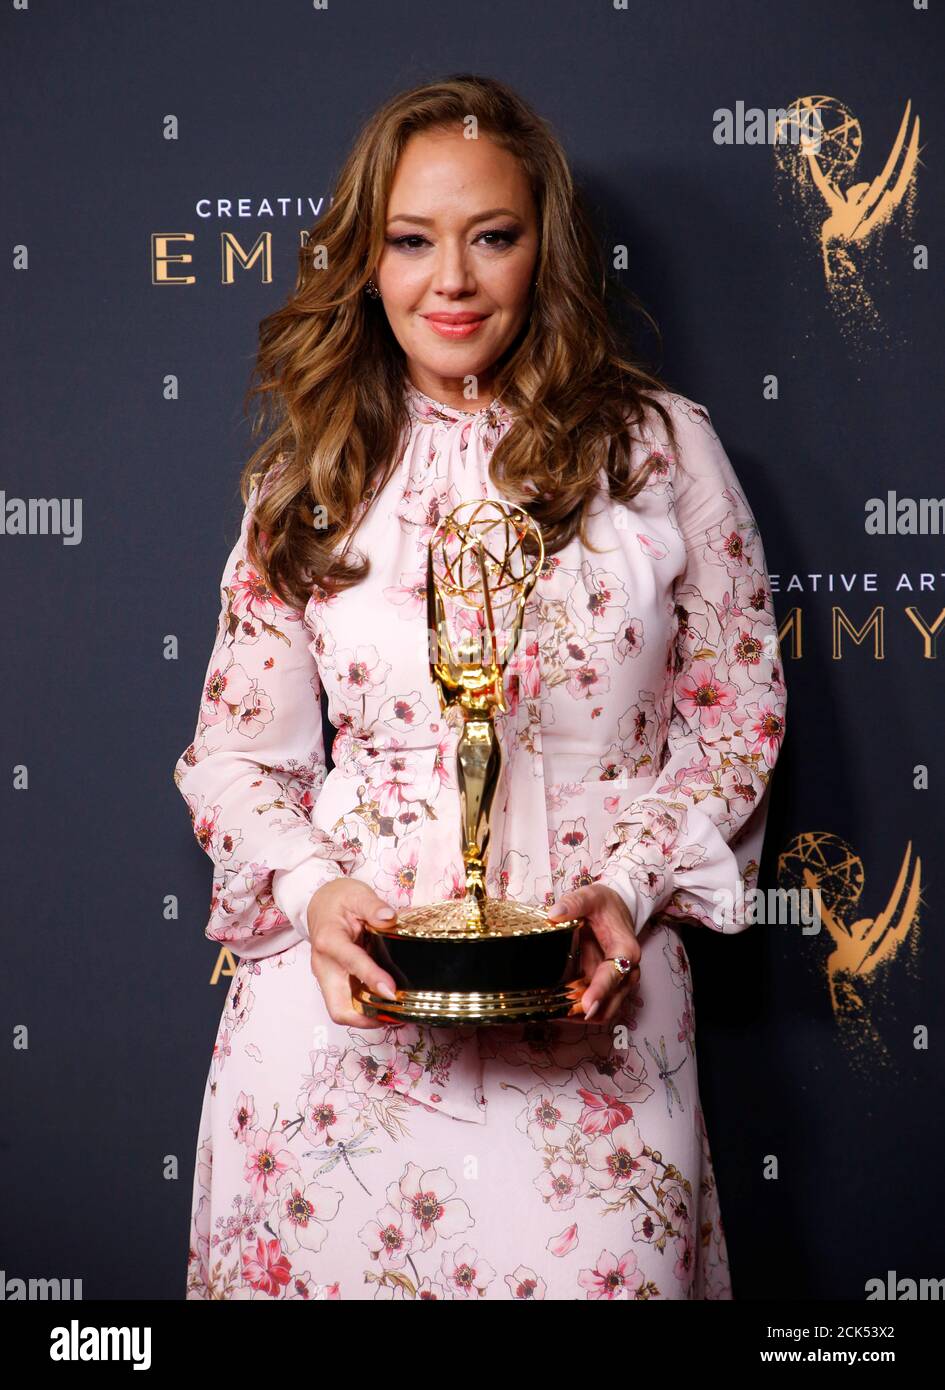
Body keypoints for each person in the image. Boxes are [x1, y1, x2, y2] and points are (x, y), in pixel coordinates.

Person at [173, 73, 786, 1301]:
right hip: (339, 1043)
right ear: (366, 257)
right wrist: (313, 895)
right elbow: (240, 758)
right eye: (411, 239)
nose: (450, 279)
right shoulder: (313, 474)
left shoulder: (659, 451)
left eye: (491, 236)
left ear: (543, 248)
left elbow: (736, 724)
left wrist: (624, 890)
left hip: (597, 1018)